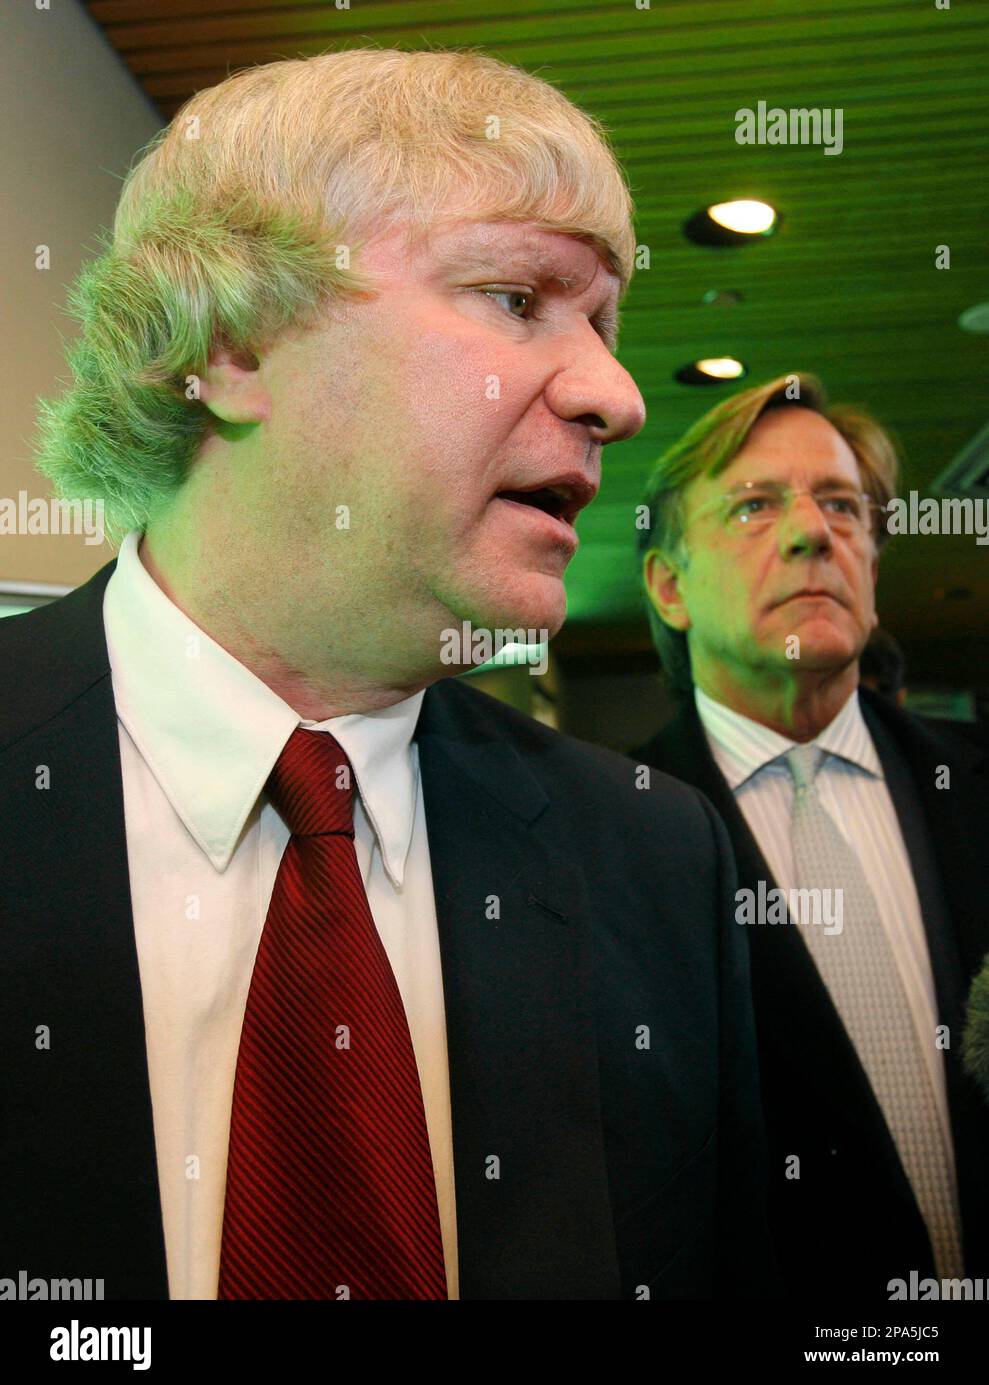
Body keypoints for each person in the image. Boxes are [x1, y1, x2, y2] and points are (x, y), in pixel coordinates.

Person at [0, 47, 772, 1301]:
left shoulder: (651, 858)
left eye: (604, 321)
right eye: (517, 296)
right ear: (236, 342)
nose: (616, 395)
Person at [631, 372, 989, 1299]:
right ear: (668, 586)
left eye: (841, 505)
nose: (809, 532)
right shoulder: (606, 840)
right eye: (753, 506)